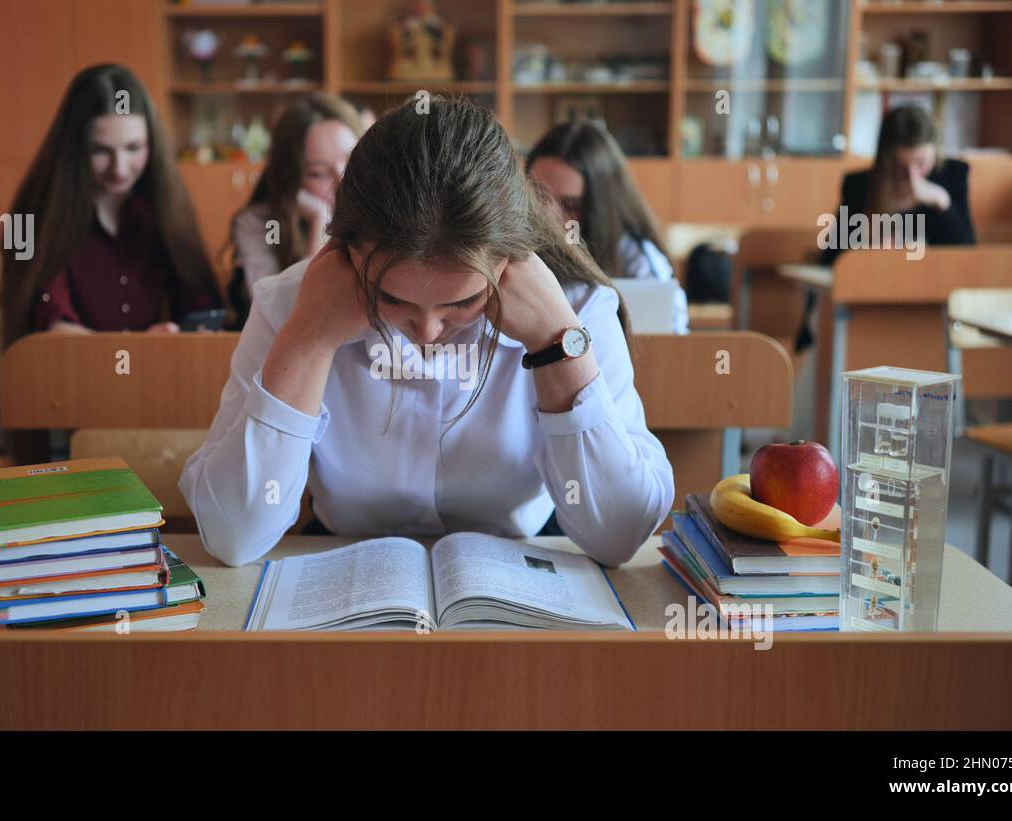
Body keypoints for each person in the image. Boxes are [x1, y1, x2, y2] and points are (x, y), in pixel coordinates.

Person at [180, 97, 675, 568]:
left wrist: (557, 343)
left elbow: (619, 535)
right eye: (391, 298)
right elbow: (233, 535)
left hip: (522, 572)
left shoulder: (577, 311)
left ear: (511, 258)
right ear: (346, 254)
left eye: (463, 301)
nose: (429, 330)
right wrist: (309, 339)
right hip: (341, 575)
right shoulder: (287, 305)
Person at [0, 64, 222, 465]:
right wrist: (137, 350)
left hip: (154, 398)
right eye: (100, 150)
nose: (120, 168)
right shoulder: (34, 214)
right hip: (68, 398)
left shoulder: (166, 207)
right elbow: (51, 331)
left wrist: (181, 337)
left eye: (134, 148)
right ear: (73, 149)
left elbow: (201, 308)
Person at [527, 119, 688, 333]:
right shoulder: (515, 249)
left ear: (600, 207)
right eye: (539, 197)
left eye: (570, 204)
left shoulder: (637, 259)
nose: (548, 216)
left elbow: (673, 338)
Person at [226, 93, 364, 319]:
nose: (342, 182)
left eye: (352, 163)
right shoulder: (259, 223)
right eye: (318, 173)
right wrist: (321, 220)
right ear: (291, 179)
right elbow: (283, 316)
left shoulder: (383, 215)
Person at [819, 105, 975, 265]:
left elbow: (968, 258)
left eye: (921, 163)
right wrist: (867, 248)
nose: (911, 177)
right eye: (900, 166)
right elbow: (830, 260)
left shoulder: (952, 176)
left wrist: (942, 202)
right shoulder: (859, 185)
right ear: (885, 159)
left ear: (935, 152)